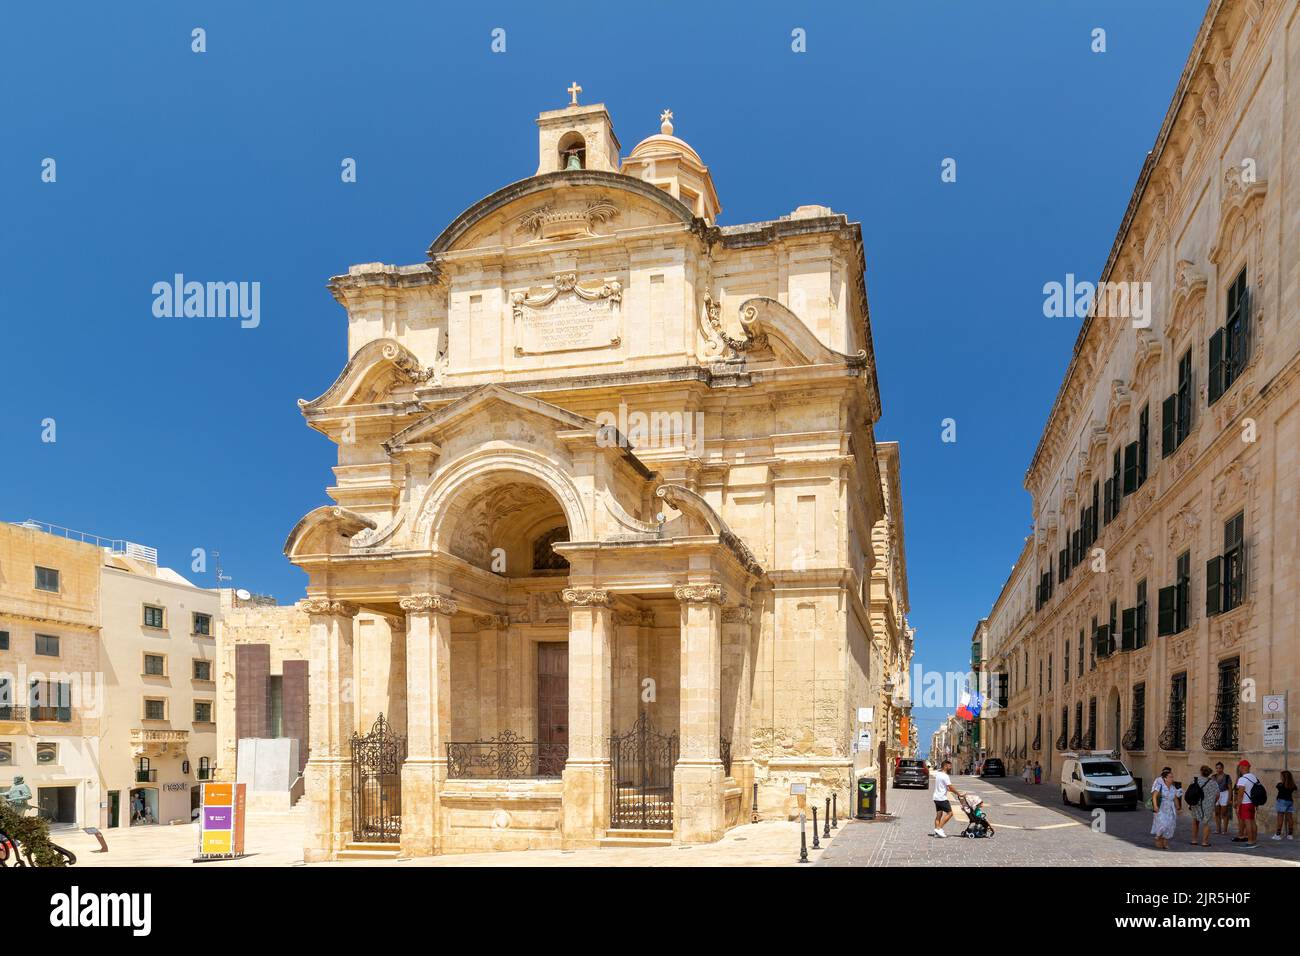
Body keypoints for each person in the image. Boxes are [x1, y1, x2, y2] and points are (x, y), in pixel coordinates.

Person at [1187, 765, 1219, 848]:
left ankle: (1194, 840)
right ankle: (1205, 842)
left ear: (1201, 771)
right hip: (1208, 805)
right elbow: (1217, 795)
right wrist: (1212, 802)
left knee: (1195, 821)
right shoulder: (1213, 783)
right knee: (1206, 823)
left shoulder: (1195, 781)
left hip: (1196, 803)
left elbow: (1189, 792)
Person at [932, 758, 963, 838]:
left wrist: (950, 790)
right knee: (950, 813)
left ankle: (936, 832)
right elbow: (951, 787)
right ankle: (939, 829)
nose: (950, 768)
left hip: (936, 797)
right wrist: (958, 794)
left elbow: (946, 787)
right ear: (945, 766)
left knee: (939, 814)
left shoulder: (938, 774)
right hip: (942, 798)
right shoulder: (945, 776)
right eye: (949, 766)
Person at [1233, 758, 1260, 848]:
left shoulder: (1242, 779)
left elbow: (1240, 794)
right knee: (1253, 822)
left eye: (1240, 767)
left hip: (1245, 803)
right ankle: (1254, 839)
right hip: (1252, 803)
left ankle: (1250, 841)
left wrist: (1238, 805)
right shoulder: (1253, 777)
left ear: (1242, 767)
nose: (1239, 769)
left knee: (1247, 822)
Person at [1150, 767, 1178, 849]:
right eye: (1170, 777)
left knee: (1170, 825)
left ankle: (1165, 842)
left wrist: (1178, 807)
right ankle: (1158, 837)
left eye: (1172, 777)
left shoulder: (1173, 788)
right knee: (1163, 824)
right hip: (1161, 808)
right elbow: (1154, 796)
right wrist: (1155, 806)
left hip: (1170, 809)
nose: (1172, 778)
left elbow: (1175, 798)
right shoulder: (1160, 786)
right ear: (1165, 778)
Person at [1273, 770, 1296, 841]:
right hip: (1290, 801)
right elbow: (1295, 788)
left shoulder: (1280, 785)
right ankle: (1290, 834)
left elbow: (1277, 786)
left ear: (1283, 777)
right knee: (1290, 817)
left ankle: (1278, 834)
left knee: (1280, 817)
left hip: (1282, 801)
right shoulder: (1292, 786)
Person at [1212, 762, 1233, 835]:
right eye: (1217, 768)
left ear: (1223, 768)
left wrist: (1229, 799)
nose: (1218, 770)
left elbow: (1230, 788)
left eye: (1220, 768)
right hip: (1216, 794)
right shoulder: (1213, 777)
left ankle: (1225, 830)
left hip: (1225, 793)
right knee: (1217, 812)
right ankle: (1218, 829)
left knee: (1224, 813)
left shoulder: (1227, 777)